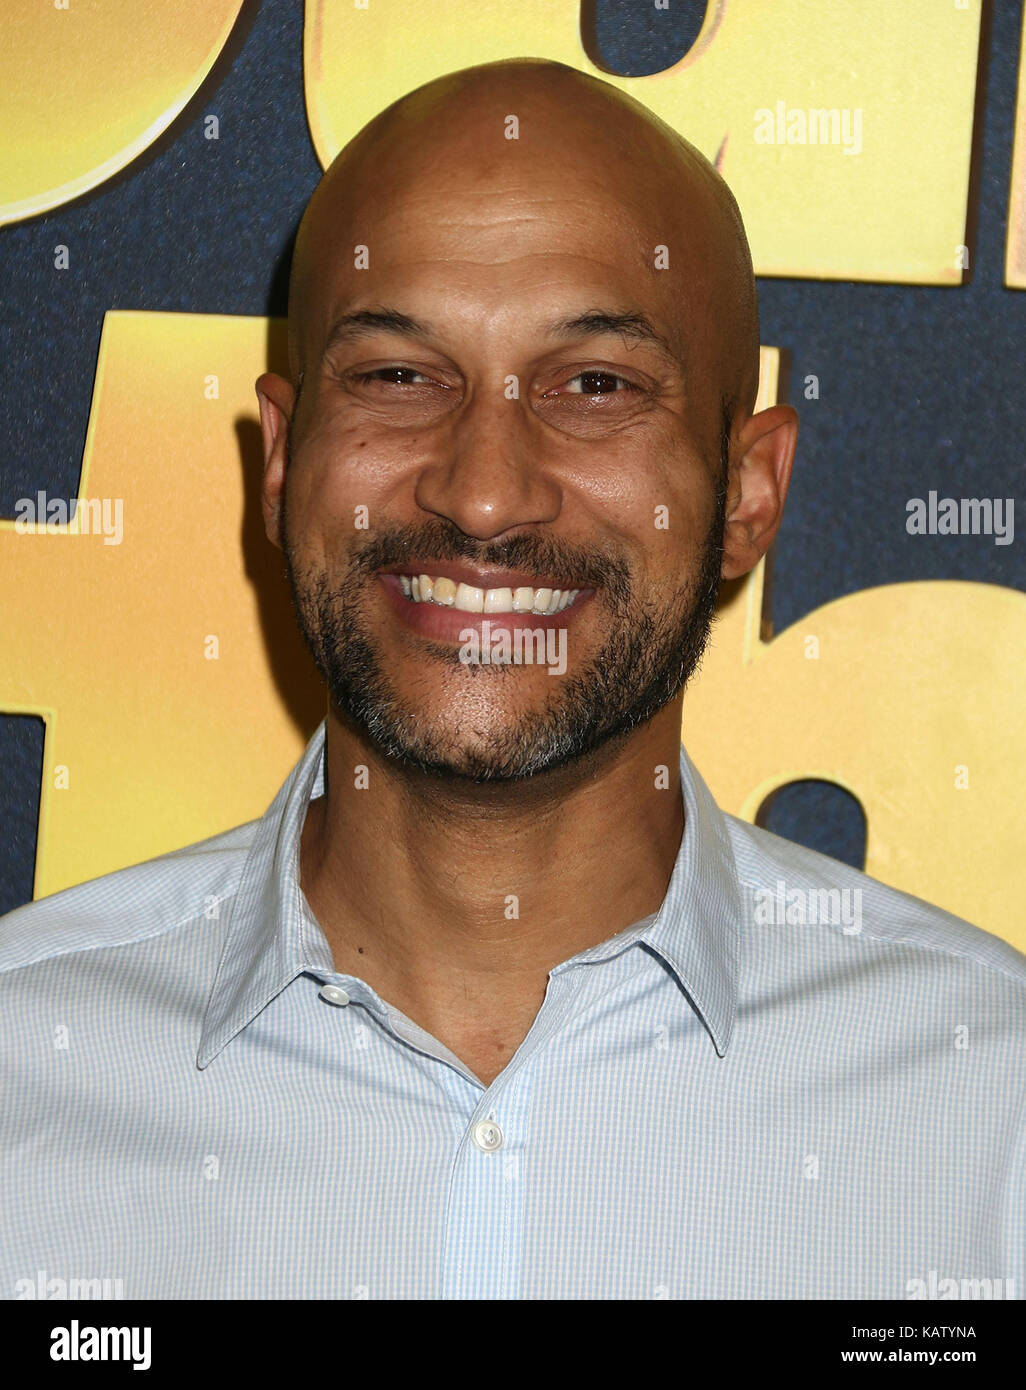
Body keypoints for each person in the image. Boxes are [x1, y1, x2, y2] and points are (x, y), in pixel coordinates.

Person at [1, 59, 1022, 1302]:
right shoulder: (24, 1074)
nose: (482, 491)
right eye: (397, 376)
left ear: (750, 490)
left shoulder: (990, 1111)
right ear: (281, 464)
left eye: (594, 386)